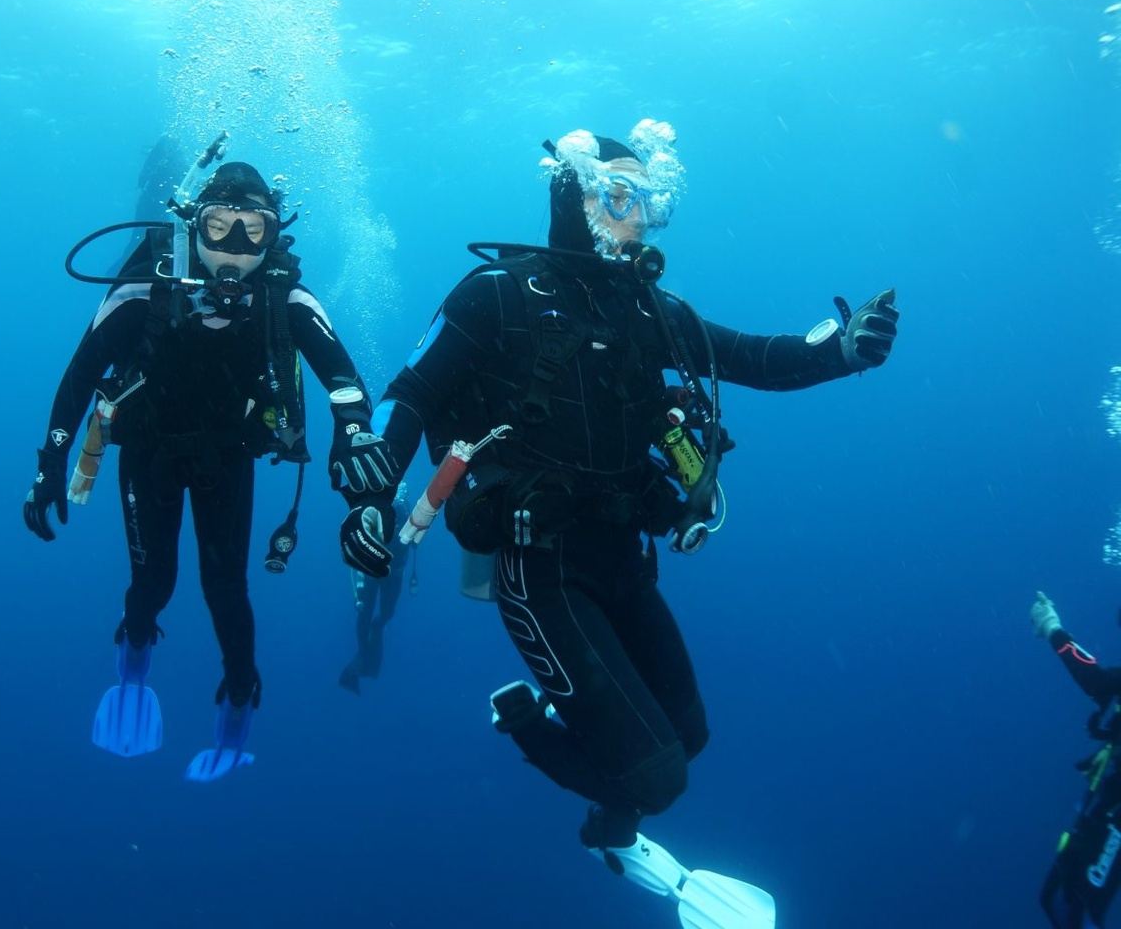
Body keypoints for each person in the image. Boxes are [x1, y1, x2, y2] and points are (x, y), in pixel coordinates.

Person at [339, 120, 898, 928]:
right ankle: (529, 723)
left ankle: (610, 823)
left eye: (651, 200)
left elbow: (755, 357)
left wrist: (842, 348)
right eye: (620, 194)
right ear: (574, 194)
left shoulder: (654, 312)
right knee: (657, 776)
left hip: (620, 555)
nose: (638, 217)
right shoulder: (495, 295)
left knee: (691, 737)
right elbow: (411, 393)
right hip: (538, 567)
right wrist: (369, 497)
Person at [23, 152, 397, 781]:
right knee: (153, 582)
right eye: (219, 225)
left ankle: (238, 703)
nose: (235, 246)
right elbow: (80, 374)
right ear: (193, 227)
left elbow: (344, 382)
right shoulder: (147, 288)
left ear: (275, 235)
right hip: (150, 451)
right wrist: (51, 462)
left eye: (254, 230)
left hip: (228, 455)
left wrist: (354, 434)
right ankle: (134, 668)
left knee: (227, 590)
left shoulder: (285, 298)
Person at [1032, 591, 1121, 928]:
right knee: (1063, 892)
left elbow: (1095, 679)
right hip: (1109, 802)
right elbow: (1101, 682)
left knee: (1075, 892)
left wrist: (1053, 628)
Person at [339, 482, 416, 694]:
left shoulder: (403, 508)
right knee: (365, 611)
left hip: (393, 572)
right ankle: (363, 655)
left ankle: (367, 652)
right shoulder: (375, 507)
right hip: (374, 569)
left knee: (384, 615)